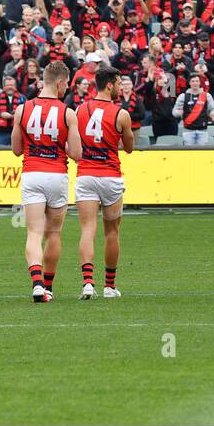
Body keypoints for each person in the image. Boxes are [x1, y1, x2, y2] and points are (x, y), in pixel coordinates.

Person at [13, 62, 83, 302]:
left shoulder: (22, 109)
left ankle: (36, 284)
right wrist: (60, 144)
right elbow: (76, 153)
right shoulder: (68, 112)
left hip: (32, 172)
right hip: (56, 174)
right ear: (61, 82)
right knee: (54, 233)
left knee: (33, 232)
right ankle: (49, 288)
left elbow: (15, 149)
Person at [74, 66, 135, 300]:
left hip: (86, 174)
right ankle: (109, 286)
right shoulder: (121, 113)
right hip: (110, 176)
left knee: (87, 229)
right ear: (109, 84)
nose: (121, 87)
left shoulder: (79, 110)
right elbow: (129, 148)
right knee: (112, 232)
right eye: (119, 83)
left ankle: (88, 283)